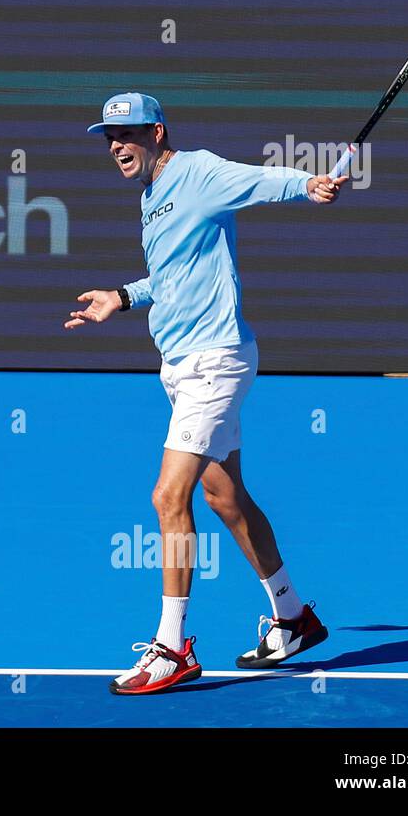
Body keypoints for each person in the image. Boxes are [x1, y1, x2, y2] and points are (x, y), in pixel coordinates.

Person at [65, 93, 340, 695]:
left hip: (215, 360)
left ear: (156, 132)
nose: (116, 147)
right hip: (180, 365)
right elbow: (168, 276)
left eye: (128, 135)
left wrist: (307, 185)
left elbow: (261, 180)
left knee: (169, 497)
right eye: (109, 138)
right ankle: (293, 618)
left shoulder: (198, 172)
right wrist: (122, 295)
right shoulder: (151, 200)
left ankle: (172, 649)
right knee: (226, 497)